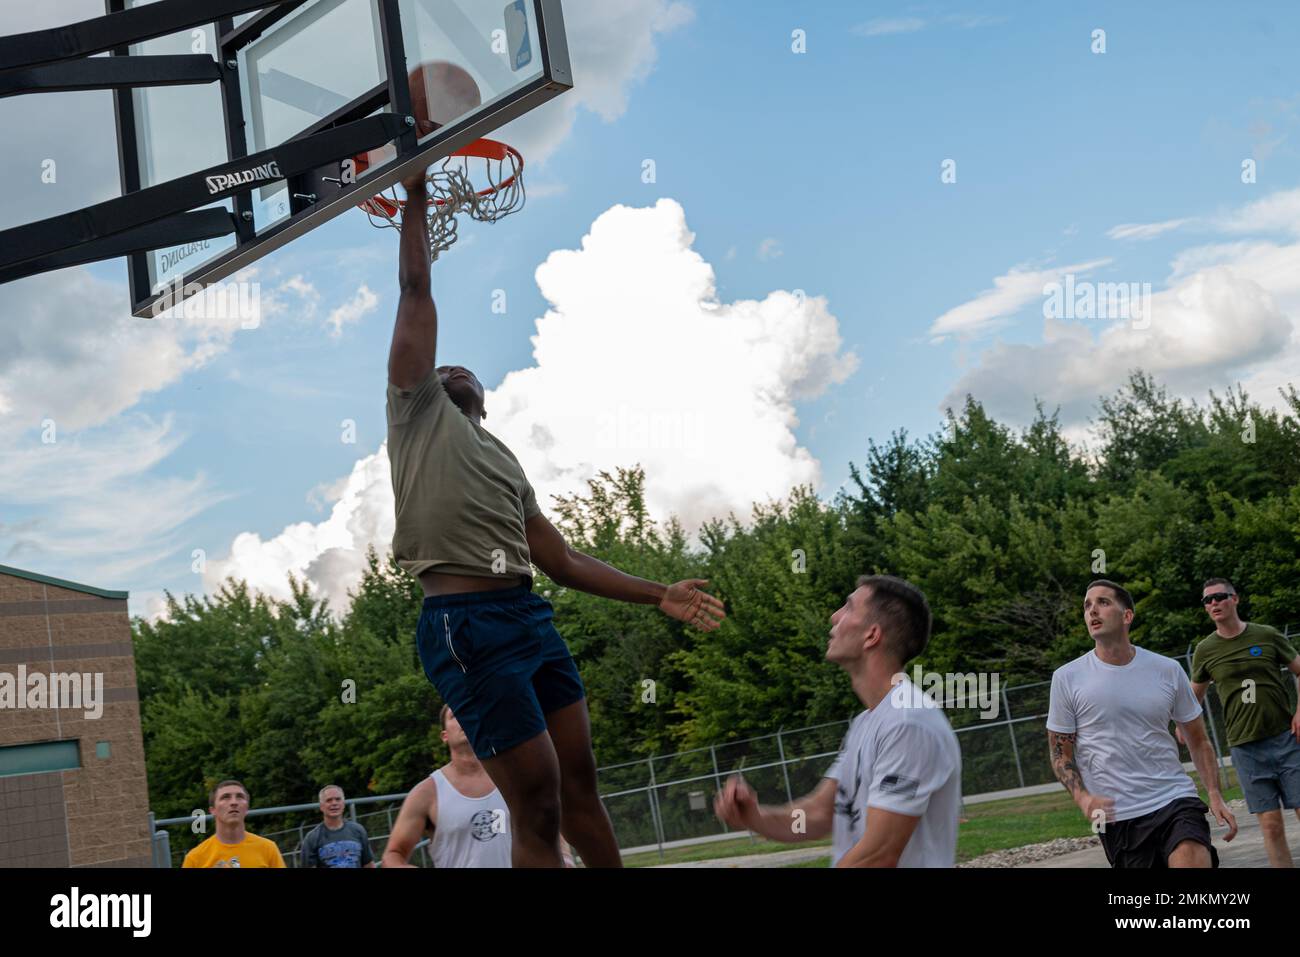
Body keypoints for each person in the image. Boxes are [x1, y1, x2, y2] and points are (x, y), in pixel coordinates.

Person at [384, 167, 726, 868]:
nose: (451, 366)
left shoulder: (504, 460)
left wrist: (658, 592)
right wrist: (415, 193)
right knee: (534, 801)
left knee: (579, 790)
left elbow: (562, 561)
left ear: (482, 395)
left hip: (528, 616)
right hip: (464, 625)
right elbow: (416, 290)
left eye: (463, 368)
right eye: (440, 363)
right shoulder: (416, 412)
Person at [714, 575, 961, 867]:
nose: (834, 617)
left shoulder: (908, 723)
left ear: (872, 635)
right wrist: (755, 816)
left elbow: (879, 855)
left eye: (848, 608)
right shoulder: (866, 723)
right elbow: (821, 813)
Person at [1046, 580, 1238, 868]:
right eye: (1087, 605)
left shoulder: (1167, 670)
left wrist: (1213, 793)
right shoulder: (1067, 678)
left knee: (1191, 860)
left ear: (1127, 616)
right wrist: (1083, 798)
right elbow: (1060, 754)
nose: (1092, 610)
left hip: (1174, 798)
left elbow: (1198, 740)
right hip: (1119, 818)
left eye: (1103, 602)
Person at [1188, 577, 1300, 867]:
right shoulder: (1205, 650)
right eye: (1207, 600)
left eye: (1219, 597)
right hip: (1245, 748)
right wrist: (1181, 726)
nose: (1213, 603)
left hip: (1286, 738)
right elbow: (1191, 700)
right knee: (1271, 825)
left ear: (1234, 599)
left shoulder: (1267, 635)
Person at [383, 705, 512, 868]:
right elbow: (392, 855)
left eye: (470, 712)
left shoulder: (514, 778)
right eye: (455, 715)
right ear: (444, 736)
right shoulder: (427, 792)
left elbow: (548, 832)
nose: (465, 718)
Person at [182, 780, 286, 868]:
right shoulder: (195, 858)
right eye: (225, 797)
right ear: (212, 810)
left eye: (240, 797)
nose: (234, 802)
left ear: (247, 808)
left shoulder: (268, 849)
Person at [299, 785, 376, 868]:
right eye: (329, 800)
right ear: (321, 806)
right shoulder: (312, 838)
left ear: (343, 804)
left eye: (338, 799)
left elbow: (368, 864)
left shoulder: (358, 830)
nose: (334, 803)